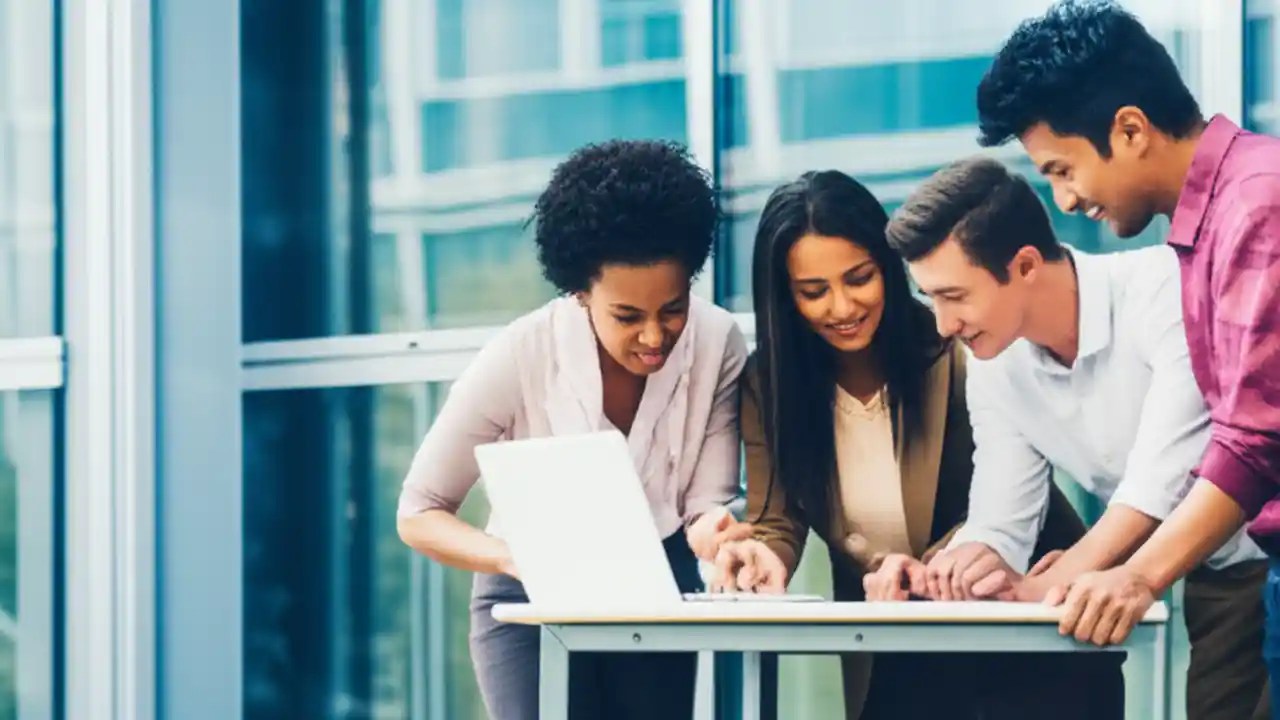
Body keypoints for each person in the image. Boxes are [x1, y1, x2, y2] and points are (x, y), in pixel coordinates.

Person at [709, 170, 1112, 720]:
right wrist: (762, 556)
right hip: (895, 650)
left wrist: (928, 568)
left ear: (890, 267)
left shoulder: (958, 348)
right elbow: (777, 518)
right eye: (813, 291)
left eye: (859, 278)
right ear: (785, 296)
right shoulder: (769, 383)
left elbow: (1007, 494)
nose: (842, 306)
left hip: (1017, 623)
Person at [883, 155, 1269, 720]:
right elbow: (1003, 517)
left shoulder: (1164, 289)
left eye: (955, 297)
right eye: (931, 300)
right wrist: (950, 571)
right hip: (1205, 567)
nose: (943, 325)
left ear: (1025, 265)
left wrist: (1063, 576)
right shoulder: (993, 363)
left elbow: (1162, 479)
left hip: (1259, 544)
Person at [974, 0, 1280, 713]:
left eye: (1063, 168)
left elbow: (1256, 439)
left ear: (1131, 129)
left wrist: (1138, 576)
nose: (1066, 198)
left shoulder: (1255, 206)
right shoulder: (1214, 220)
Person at [394, 139, 747, 720]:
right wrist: (518, 559)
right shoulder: (521, 354)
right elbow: (419, 512)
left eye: (673, 308)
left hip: (658, 596)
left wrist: (722, 537)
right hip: (531, 605)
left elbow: (705, 506)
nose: (656, 337)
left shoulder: (717, 342)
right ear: (580, 292)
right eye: (628, 317)